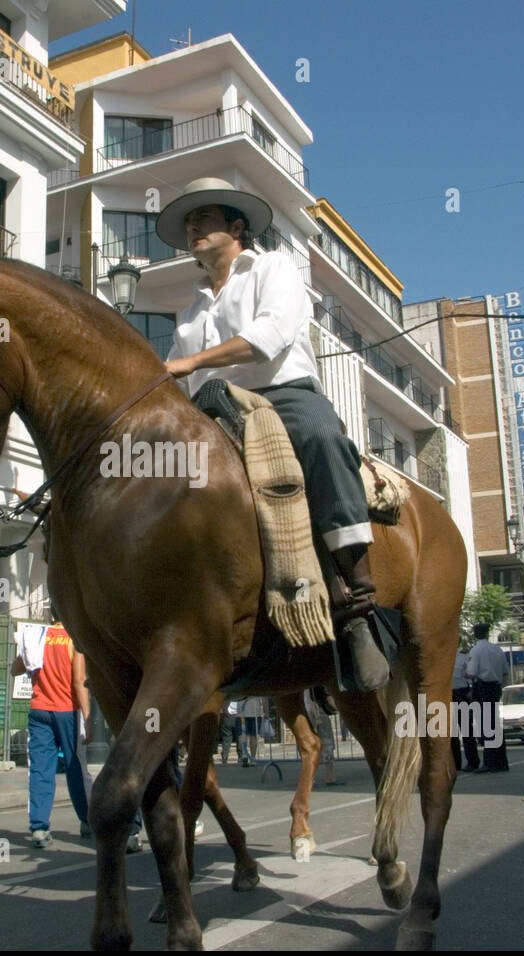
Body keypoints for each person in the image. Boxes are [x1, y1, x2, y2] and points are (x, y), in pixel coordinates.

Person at [156, 178, 388, 693]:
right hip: (211, 408)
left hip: (280, 393)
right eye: (188, 222)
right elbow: (188, 381)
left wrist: (189, 361)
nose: (193, 227)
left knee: (322, 438)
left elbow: (268, 337)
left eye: (204, 218)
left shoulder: (273, 268)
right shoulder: (191, 309)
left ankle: (356, 606)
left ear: (236, 228)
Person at [11, 617, 89, 848]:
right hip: (67, 711)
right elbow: (78, 680)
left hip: (39, 710)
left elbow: (15, 669)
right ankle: (87, 820)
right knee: (75, 768)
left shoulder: (37, 638)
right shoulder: (74, 640)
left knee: (40, 770)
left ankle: (39, 827)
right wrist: (87, 716)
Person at [464, 623, 509, 773]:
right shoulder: (497, 649)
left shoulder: (476, 650)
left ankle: (489, 763)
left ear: (476, 634)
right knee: (495, 725)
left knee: (486, 727)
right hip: (495, 688)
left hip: (482, 688)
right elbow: (505, 672)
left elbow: (471, 672)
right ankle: (501, 762)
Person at [452, 646, 480, 773]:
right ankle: (455, 763)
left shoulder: (464, 656)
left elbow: (473, 676)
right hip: (446, 694)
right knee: (450, 732)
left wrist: (471, 692)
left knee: (466, 729)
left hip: (461, 693)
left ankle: (473, 762)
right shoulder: (439, 656)